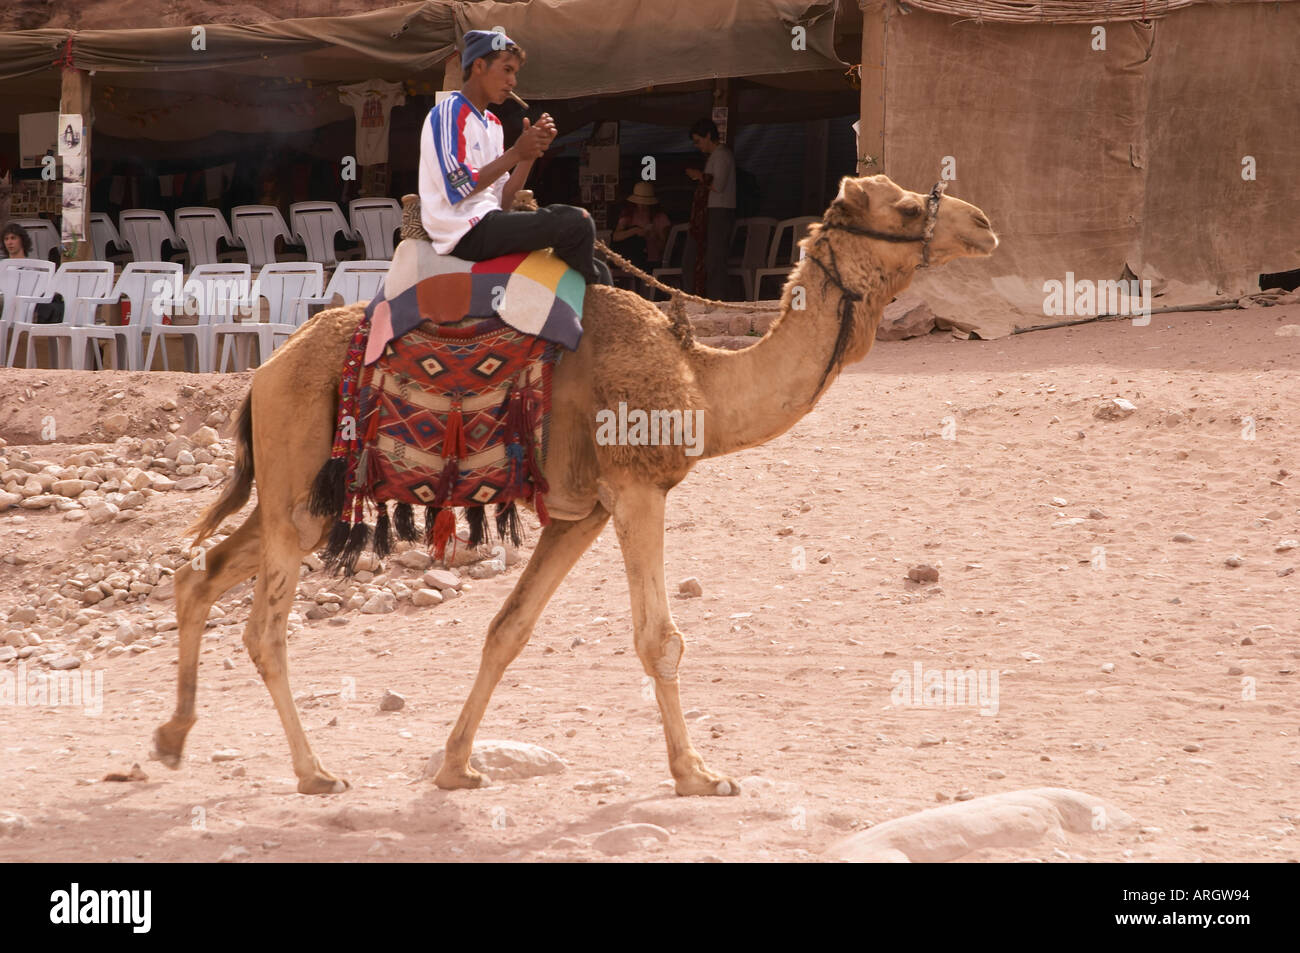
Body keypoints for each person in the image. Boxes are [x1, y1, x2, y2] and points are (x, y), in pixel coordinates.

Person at [419, 29, 611, 286]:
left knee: (598, 264)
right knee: (577, 223)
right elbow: (458, 187)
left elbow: (505, 199)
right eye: (507, 70)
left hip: (490, 223)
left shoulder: (493, 124)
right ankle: (595, 302)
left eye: (515, 73)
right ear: (479, 66)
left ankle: (591, 302)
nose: (513, 82)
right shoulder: (448, 113)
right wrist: (516, 152)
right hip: (462, 232)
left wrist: (529, 155)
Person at [680, 117, 735, 299]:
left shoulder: (722, 155)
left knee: (715, 258)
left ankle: (717, 299)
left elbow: (718, 185)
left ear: (708, 136)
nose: (697, 146)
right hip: (710, 211)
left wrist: (699, 176)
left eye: (699, 141)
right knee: (704, 257)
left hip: (720, 209)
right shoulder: (715, 157)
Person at [610, 181, 672, 276]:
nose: (642, 206)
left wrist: (653, 236)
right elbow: (615, 237)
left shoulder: (660, 218)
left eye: (645, 203)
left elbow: (665, 247)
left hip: (651, 260)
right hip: (631, 259)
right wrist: (635, 231)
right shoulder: (629, 215)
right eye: (639, 202)